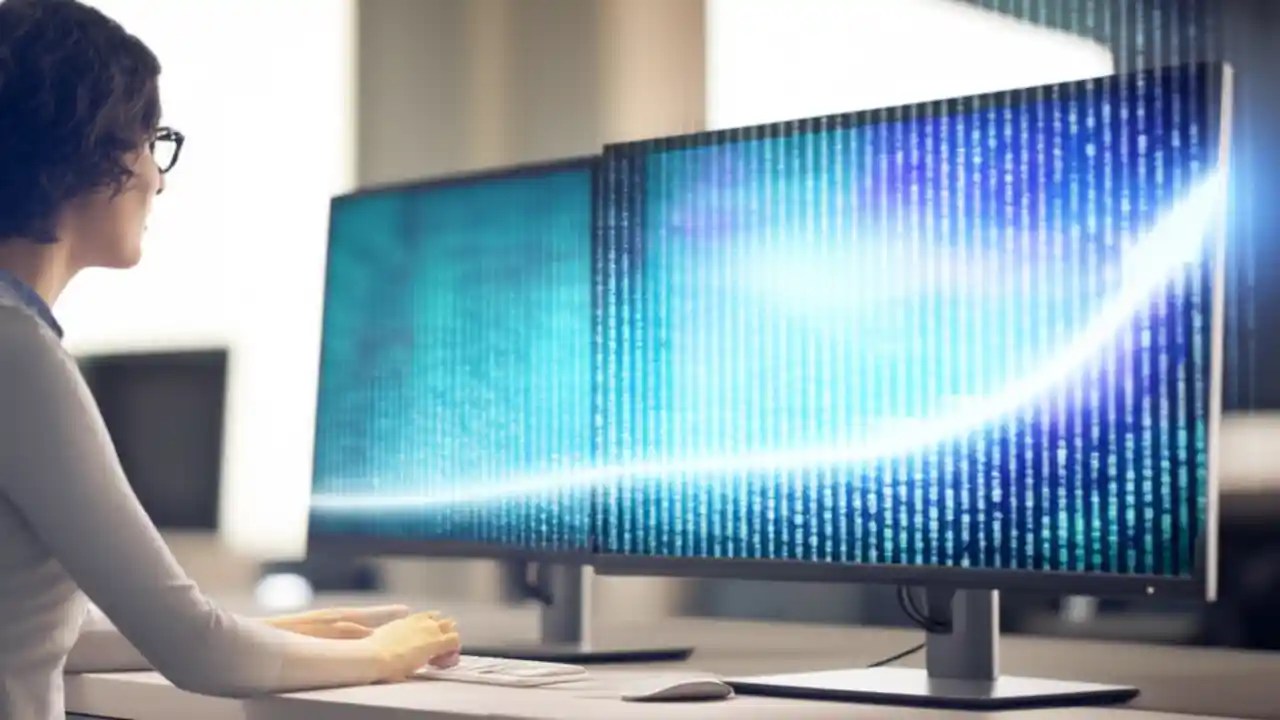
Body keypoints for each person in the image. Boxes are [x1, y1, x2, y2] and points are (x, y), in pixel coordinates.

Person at [0, 1, 461, 717]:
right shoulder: (18, 355)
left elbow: (34, 631)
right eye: (151, 143)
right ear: (91, 154)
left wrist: (278, 634)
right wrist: (383, 655)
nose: (159, 178)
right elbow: (197, 652)